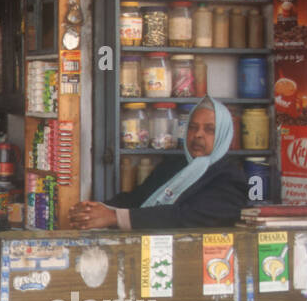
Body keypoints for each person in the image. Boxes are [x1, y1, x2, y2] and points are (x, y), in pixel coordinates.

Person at [70, 96, 247, 230]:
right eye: (192, 127)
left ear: (224, 135)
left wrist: (115, 217)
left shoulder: (229, 178)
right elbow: (139, 198)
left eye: (209, 130)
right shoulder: (174, 165)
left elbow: (184, 217)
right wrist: (94, 209)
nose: (198, 135)